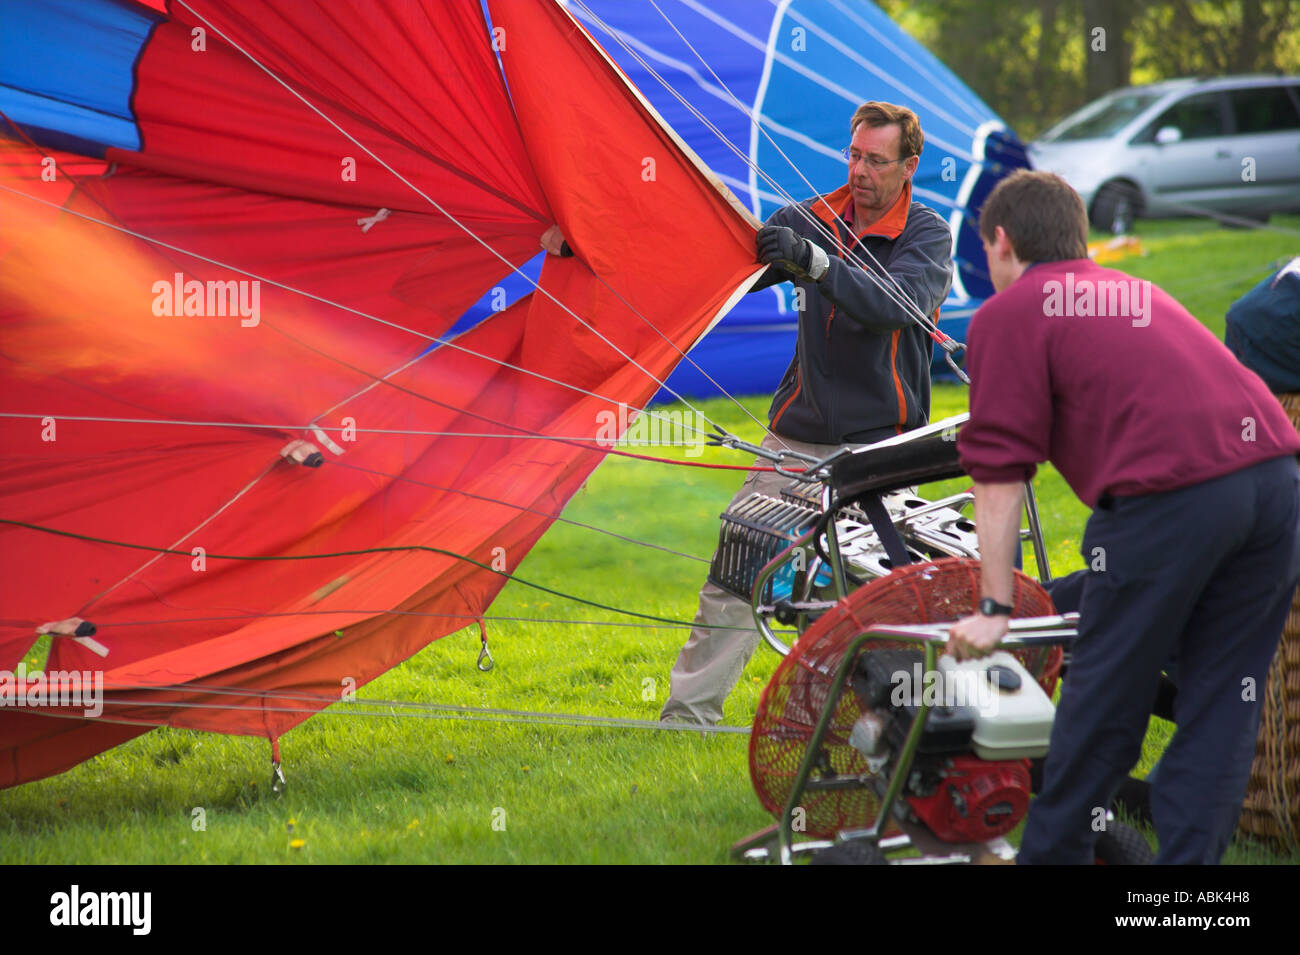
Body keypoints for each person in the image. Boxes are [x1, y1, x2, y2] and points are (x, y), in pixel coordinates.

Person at [948, 169, 1300, 865]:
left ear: (1002, 241)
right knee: (1220, 708)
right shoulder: (1136, 292)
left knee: (1101, 703)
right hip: (1279, 489)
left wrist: (993, 604)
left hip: (1172, 500)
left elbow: (998, 470)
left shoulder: (1012, 311)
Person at [660, 102, 954, 724]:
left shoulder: (927, 234)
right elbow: (721, 264)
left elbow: (893, 305)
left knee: (877, 592)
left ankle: (882, 725)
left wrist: (815, 263)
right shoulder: (810, 219)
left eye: (877, 160)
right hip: (796, 433)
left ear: (909, 166)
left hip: (884, 446)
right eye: (853, 155)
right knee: (738, 572)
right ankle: (686, 719)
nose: (861, 170)